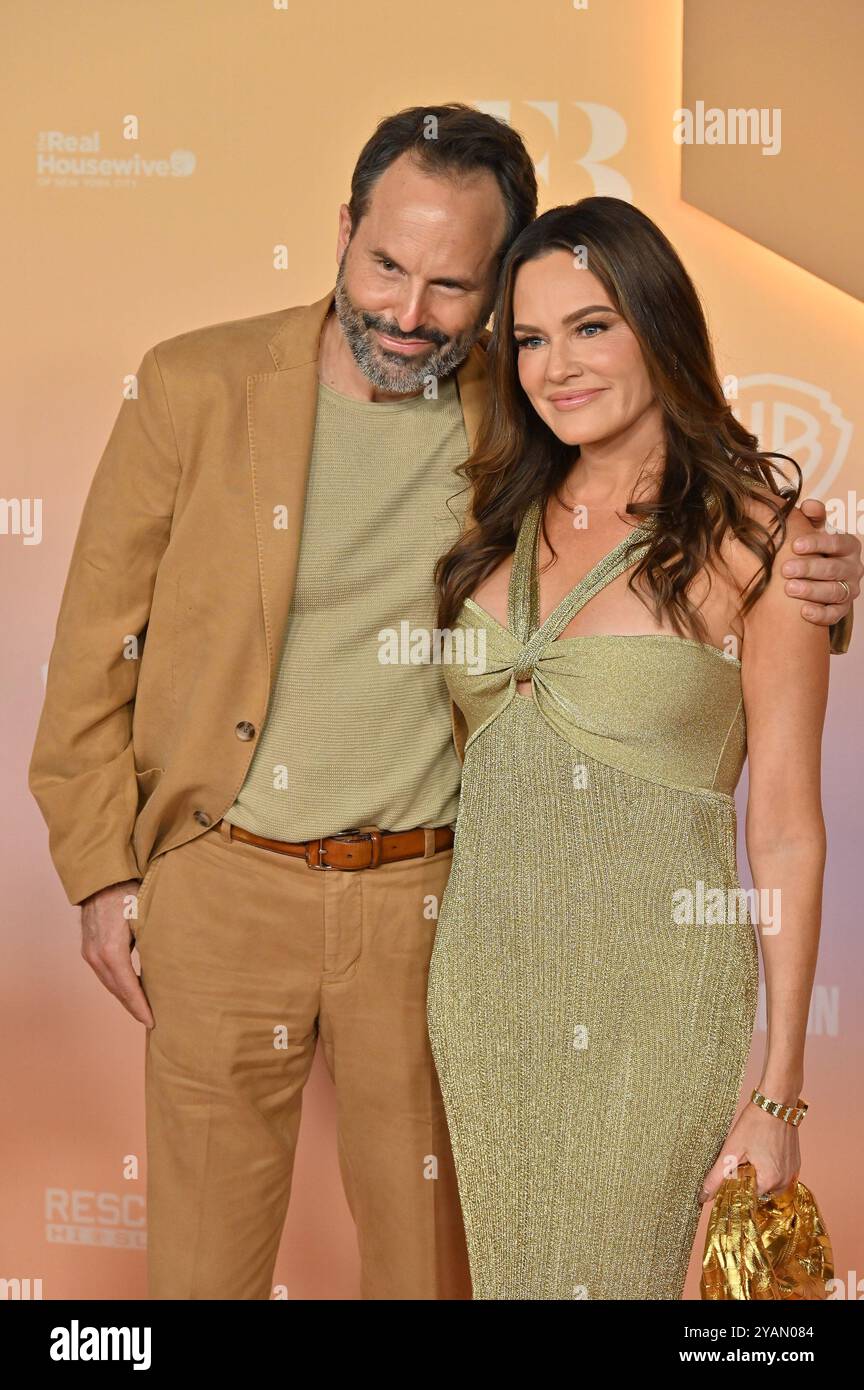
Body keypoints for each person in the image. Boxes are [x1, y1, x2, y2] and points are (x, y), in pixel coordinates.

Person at [28, 106, 860, 1302]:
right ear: (343, 232)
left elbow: (693, 546)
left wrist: (823, 580)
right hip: (226, 884)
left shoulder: (509, 407)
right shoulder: (195, 385)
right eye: (384, 265)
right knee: (200, 1276)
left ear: (495, 289)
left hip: (428, 906)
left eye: (453, 286)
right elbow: (92, 648)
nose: (407, 313)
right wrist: (104, 870)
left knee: (432, 1275)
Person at [426, 196, 834, 1300]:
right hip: (483, 990)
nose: (556, 365)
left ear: (660, 326)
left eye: (592, 326)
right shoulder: (497, 521)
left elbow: (789, 827)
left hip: (659, 998)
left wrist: (779, 1090)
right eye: (530, 338)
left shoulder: (763, 538)